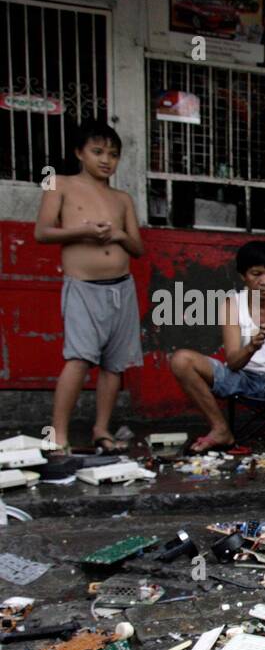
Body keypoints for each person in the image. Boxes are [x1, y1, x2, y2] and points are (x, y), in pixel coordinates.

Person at [34, 120, 144, 454]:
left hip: (122, 288)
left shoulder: (121, 197)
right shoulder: (60, 183)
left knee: (113, 366)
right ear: (79, 152)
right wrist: (83, 231)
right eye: (97, 152)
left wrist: (120, 235)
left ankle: (101, 429)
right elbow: (42, 232)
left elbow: (138, 248)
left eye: (113, 154)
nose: (106, 160)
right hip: (83, 286)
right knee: (79, 359)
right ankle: (58, 434)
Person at [168, 241, 265, 453]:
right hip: (243, 378)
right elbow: (233, 362)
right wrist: (251, 346)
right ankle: (221, 430)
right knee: (181, 360)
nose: (264, 281)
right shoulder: (232, 304)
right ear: (243, 276)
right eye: (256, 274)